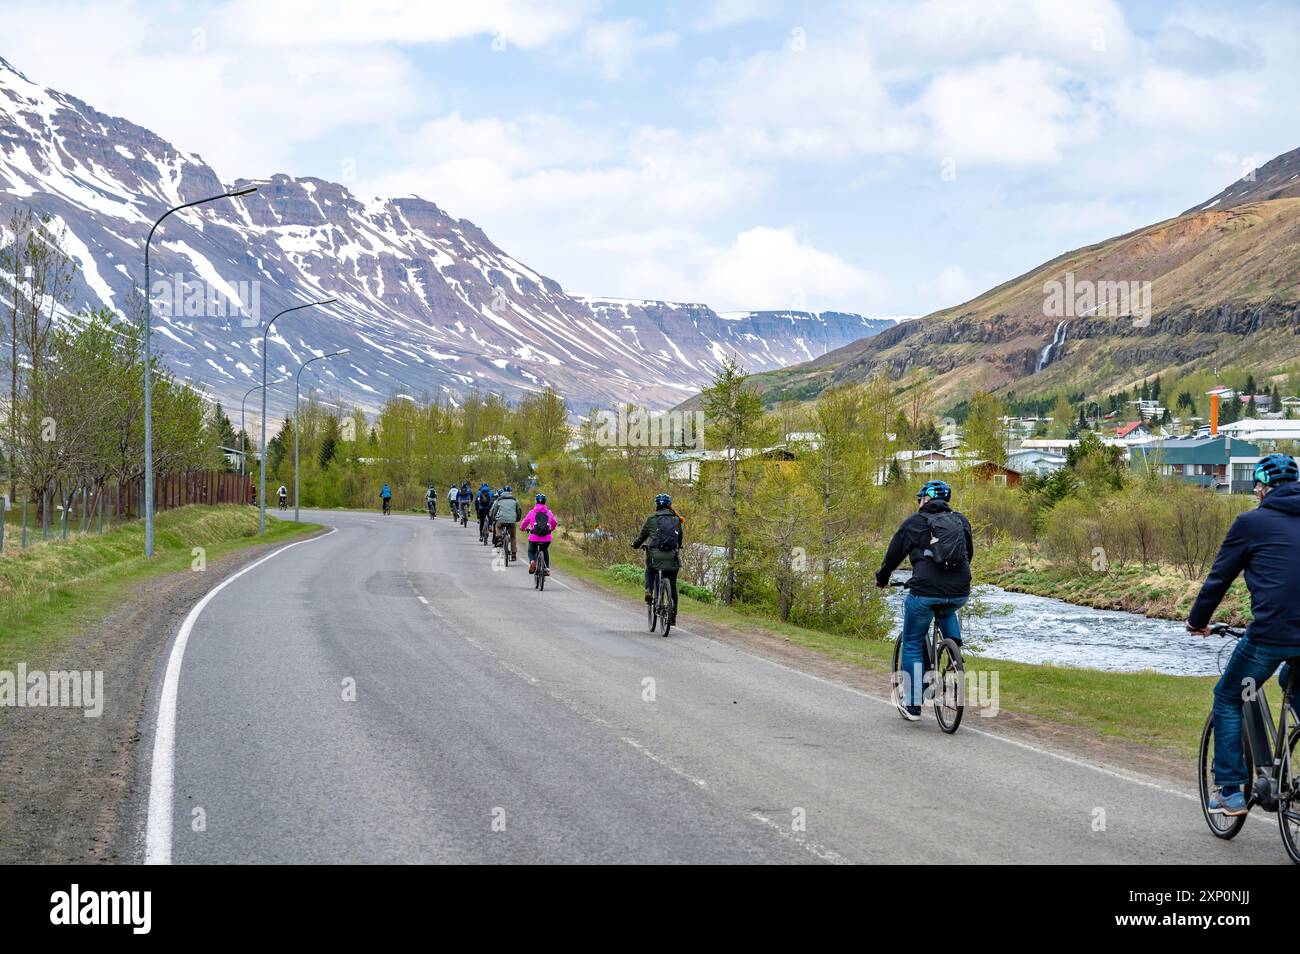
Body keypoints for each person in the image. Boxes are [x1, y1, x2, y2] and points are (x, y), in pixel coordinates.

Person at [1188, 453, 1300, 817]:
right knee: (1291, 679)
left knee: (1228, 696)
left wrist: (1197, 621)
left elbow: (1219, 579)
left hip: (1271, 633)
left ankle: (1231, 791)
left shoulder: (1251, 523)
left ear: (1261, 488)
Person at [874, 480, 974, 721]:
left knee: (911, 641)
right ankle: (953, 653)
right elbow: (968, 555)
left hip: (925, 590)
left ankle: (913, 705)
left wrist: (882, 579)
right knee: (947, 607)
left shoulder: (914, 522)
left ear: (925, 499)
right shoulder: (961, 521)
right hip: (960, 588)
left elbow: (893, 556)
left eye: (920, 498)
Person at [631, 493, 683, 622]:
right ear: (669, 505)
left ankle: (648, 589)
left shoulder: (651, 519)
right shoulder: (676, 519)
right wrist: (679, 546)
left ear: (657, 505)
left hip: (655, 555)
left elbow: (642, 537)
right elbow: (679, 537)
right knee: (672, 583)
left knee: (650, 569)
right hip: (671, 556)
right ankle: (672, 614)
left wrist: (635, 544)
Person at [520, 493, 557, 576]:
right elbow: (555, 523)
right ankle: (546, 569)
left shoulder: (531, 512)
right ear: (545, 502)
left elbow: (524, 522)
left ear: (536, 501)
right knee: (545, 550)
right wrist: (551, 529)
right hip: (546, 538)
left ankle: (532, 561)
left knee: (531, 550)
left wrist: (522, 528)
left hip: (534, 537)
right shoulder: (549, 512)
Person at [489, 485, 521, 561]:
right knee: (513, 537)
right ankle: (513, 555)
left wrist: (493, 518)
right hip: (512, 521)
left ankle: (499, 539)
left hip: (501, 520)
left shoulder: (499, 500)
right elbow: (519, 510)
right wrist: (517, 519)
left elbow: (494, 510)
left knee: (498, 526)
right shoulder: (515, 500)